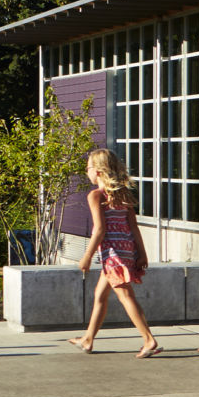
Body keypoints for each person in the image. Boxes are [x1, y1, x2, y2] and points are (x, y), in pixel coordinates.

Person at [67, 149, 160, 358]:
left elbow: (99, 230)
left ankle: (148, 339)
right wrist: (142, 253)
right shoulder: (123, 195)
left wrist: (87, 256)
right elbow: (134, 227)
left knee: (125, 295)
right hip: (126, 249)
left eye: (88, 167)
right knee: (100, 295)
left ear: (98, 171)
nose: (86, 171)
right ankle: (88, 339)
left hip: (112, 255)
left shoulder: (96, 196)